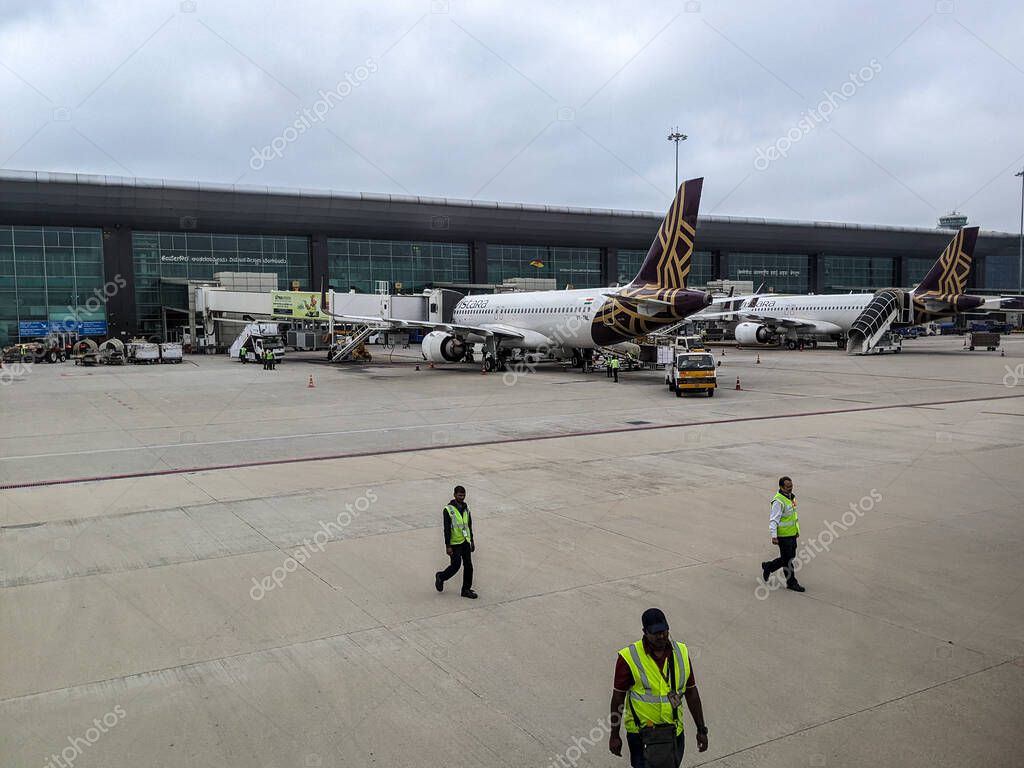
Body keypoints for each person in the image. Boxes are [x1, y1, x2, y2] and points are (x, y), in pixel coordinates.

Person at [609, 608, 708, 768]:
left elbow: (691, 692)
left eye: (664, 631)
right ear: (644, 632)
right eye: (655, 633)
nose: (661, 636)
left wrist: (701, 729)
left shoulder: (681, 652)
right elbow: (618, 698)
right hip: (641, 735)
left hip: (674, 732)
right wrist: (615, 735)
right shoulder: (629, 657)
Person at [761, 476, 805, 592]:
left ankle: (769, 566)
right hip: (783, 536)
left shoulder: (791, 497)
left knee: (789, 557)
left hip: (792, 534)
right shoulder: (778, 501)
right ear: (781, 487)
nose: (790, 488)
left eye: (791, 486)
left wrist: (796, 531)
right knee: (788, 561)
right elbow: (774, 520)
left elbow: (792, 516)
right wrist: (774, 536)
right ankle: (791, 582)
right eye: (788, 487)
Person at [434, 485, 477, 599]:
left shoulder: (466, 508)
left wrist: (471, 540)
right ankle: (441, 577)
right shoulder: (448, 510)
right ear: (454, 495)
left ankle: (466, 589)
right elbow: (447, 529)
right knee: (456, 565)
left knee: (469, 566)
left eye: (463, 495)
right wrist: (448, 546)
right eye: (459, 495)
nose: (462, 497)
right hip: (454, 543)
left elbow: (469, 526)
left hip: (465, 541)